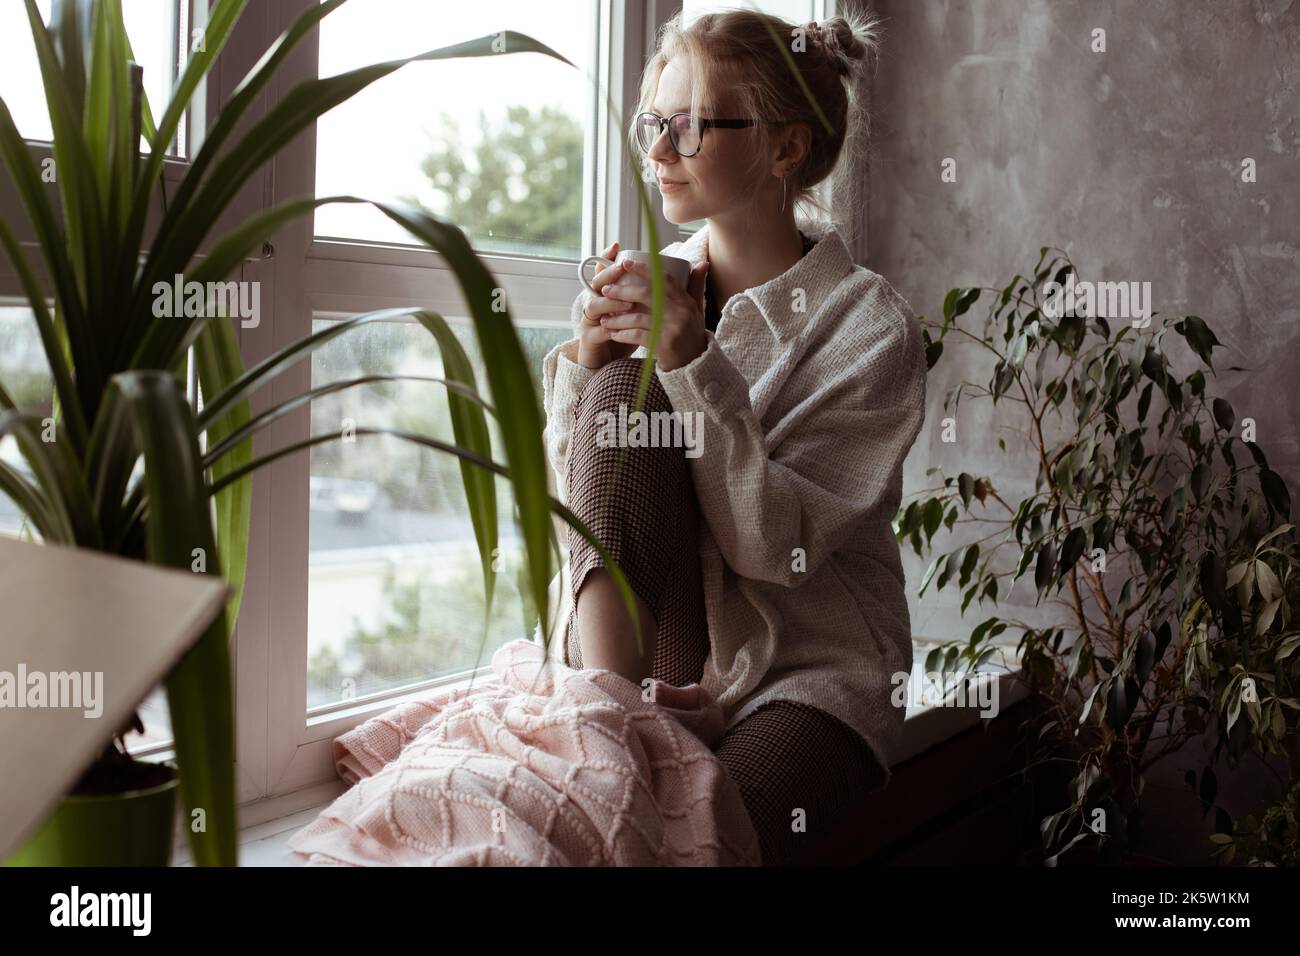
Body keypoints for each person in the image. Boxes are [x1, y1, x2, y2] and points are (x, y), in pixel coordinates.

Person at [539, 8, 927, 866]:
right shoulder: (653, 283)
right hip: (658, 662)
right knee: (613, 387)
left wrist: (693, 359)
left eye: (689, 126)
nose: (659, 151)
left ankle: (621, 726)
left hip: (808, 677)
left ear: (786, 149)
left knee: (702, 839)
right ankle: (605, 715)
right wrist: (586, 365)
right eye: (654, 124)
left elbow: (768, 548)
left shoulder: (870, 328)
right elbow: (575, 520)